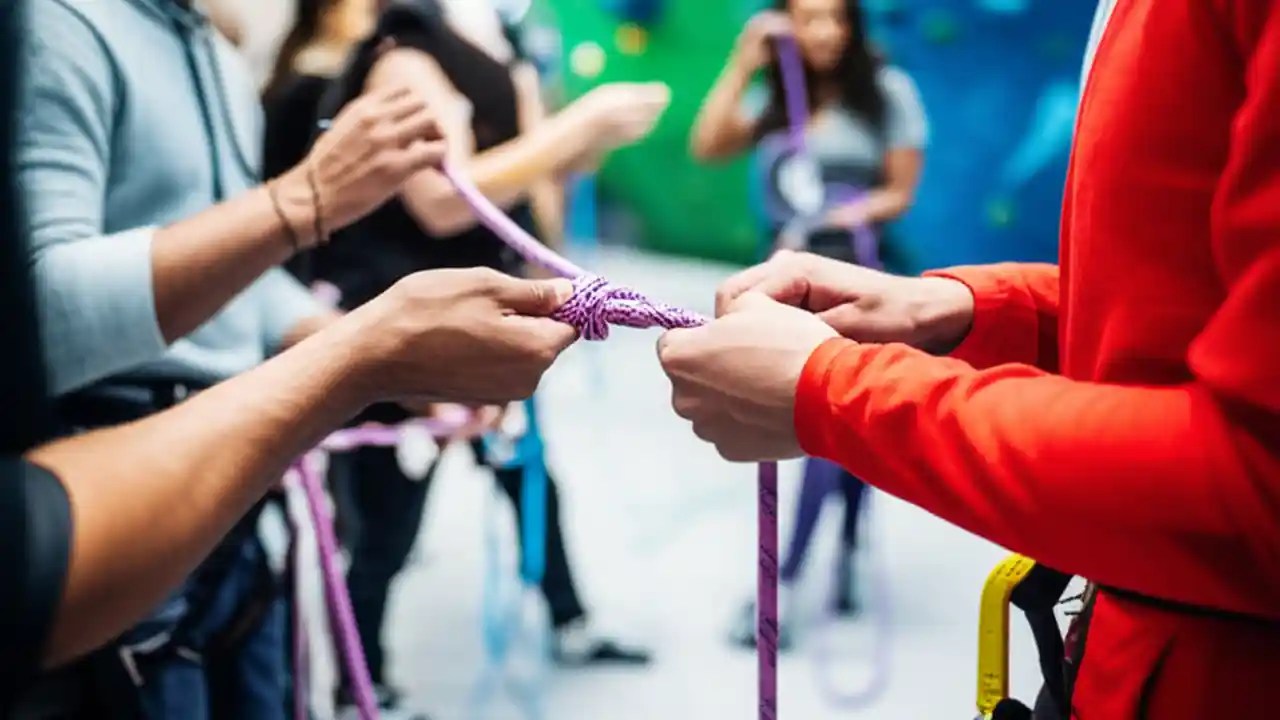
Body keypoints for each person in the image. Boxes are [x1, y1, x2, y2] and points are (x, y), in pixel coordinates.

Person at [658, 0, 1280, 717]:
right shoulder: (786, 96)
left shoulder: (885, 94)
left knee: (841, 480)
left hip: (1202, 670)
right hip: (1126, 644)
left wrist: (842, 396)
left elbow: (1256, 473)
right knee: (828, 475)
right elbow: (1183, 311)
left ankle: (828, 568)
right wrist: (969, 311)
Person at [0, 4, 578, 714]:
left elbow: (239, 282)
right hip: (115, 507)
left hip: (242, 499)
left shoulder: (209, 48)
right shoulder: (53, 24)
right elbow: (31, 321)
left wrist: (383, 348)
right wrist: (300, 209)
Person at [289, 0, 666, 712]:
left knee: (528, 478)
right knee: (387, 521)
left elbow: (520, 189)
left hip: (483, 313)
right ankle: (359, 684)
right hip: (411, 325)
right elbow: (439, 199)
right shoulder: (406, 50)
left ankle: (569, 618)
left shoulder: (495, 37)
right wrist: (575, 127)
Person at [689, 0, 927, 646]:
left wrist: (845, 213)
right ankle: (838, 553)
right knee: (830, 430)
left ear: (852, 27)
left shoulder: (887, 92)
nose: (822, 32)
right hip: (785, 287)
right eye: (807, 18)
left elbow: (901, 192)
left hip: (859, 284)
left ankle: (786, 582)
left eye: (834, 18)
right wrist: (743, 64)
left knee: (833, 429)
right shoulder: (776, 97)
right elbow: (707, 145)